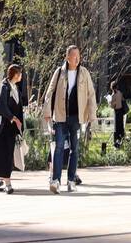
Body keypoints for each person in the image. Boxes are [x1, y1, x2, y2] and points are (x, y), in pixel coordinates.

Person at [42, 44, 98, 194]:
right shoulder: (59, 72)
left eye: (78, 56)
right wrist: (47, 112)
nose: (77, 59)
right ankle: (55, 181)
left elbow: (91, 94)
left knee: (75, 149)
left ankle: (71, 180)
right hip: (60, 116)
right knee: (59, 147)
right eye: (74, 56)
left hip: (76, 117)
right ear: (67, 57)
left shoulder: (84, 73)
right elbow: (50, 92)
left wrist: (92, 115)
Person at [0, 64, 23, 194]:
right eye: (20, 73)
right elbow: (1, 106)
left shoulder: (15, 87)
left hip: (10, 128)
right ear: (15, 74)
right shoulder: (4, 87)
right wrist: (13, 118)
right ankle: (7, 183)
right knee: (3, 154)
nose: (21, 76)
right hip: (2, 127)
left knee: (4, 154)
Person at [110, 80, 127, 147]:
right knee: (121, 127)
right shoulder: (120, 92)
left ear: (112, 87)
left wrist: (110, 102)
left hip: (116, 112)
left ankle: (116, 143)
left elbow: (112, 106)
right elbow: (122, 100)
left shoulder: (113, 95)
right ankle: (122, 140)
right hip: (121, 111)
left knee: (116, 128)